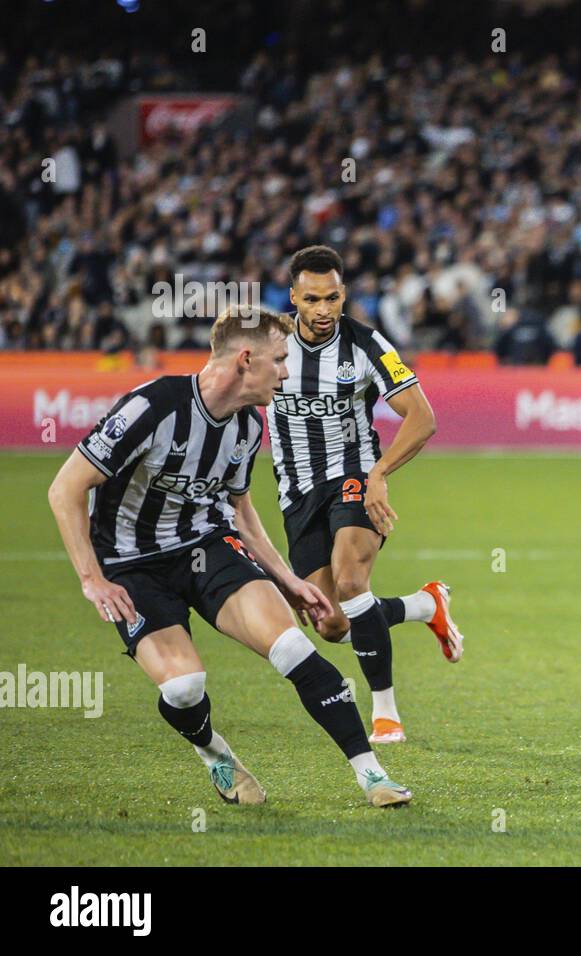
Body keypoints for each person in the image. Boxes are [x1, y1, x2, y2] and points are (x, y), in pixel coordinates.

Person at [47, 306, 412, 807]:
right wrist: (92, 579)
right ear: (246, 359)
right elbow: (65, 488)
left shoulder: (246, 428)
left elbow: (240, 510)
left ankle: (373, 776)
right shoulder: (151, 408)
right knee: (184, 687)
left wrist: (286, 578)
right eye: (280, 360)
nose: (287, 371)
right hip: (132, 565)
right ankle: (215, 753)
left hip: (205, 545)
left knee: (293, 648)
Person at [271, 245, 463, 746]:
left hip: (355, 476)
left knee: (353, 582)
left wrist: (378, 473)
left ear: (343, 295)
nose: (322, 310)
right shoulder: (267, 344)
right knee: (330, 622)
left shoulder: (365, 343)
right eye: (311, 299)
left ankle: (385, 714)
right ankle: (424, 606)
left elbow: (423, 418)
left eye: (332, 298)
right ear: (293, 297)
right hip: (296, 492)